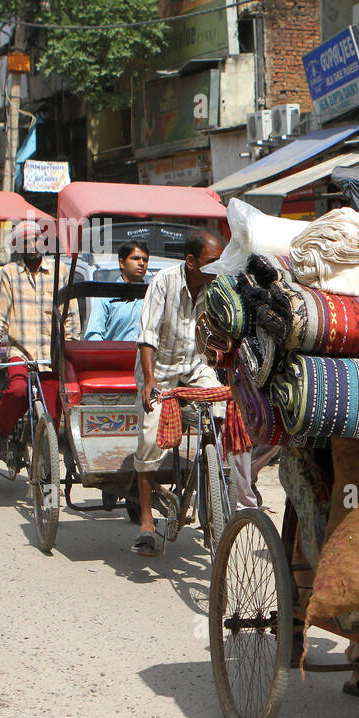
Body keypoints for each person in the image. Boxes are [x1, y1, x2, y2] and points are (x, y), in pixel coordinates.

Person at [132, 230, 252, 556]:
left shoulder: (217, 287)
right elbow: (147, 336)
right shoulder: (164, 282)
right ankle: (145, 520)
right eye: (212, 261)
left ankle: (212, 474)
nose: (218, 267)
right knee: (149, 437)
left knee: (221, 408)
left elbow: (230, 329)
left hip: (196, 369)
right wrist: (149, 382)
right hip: (160, 371)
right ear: (191, 262)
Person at [0, 220, 79, 460]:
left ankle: (46, 473)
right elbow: (0, 316)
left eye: (35, 239)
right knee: (17, 391)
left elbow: (71, 315)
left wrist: (71, 348)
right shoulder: (9, 273)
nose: (32, 244)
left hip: (52, 355)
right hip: (21, 352)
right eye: (25, 241)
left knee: (53, 418)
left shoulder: (61, 271)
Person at [83, 242, 149, 340]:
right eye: (135, 258)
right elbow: (93, 335)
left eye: (145, 260)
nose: (141, 263)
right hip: (112, 355)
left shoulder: (153, 296)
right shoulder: (105, 297)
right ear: (122, 263)